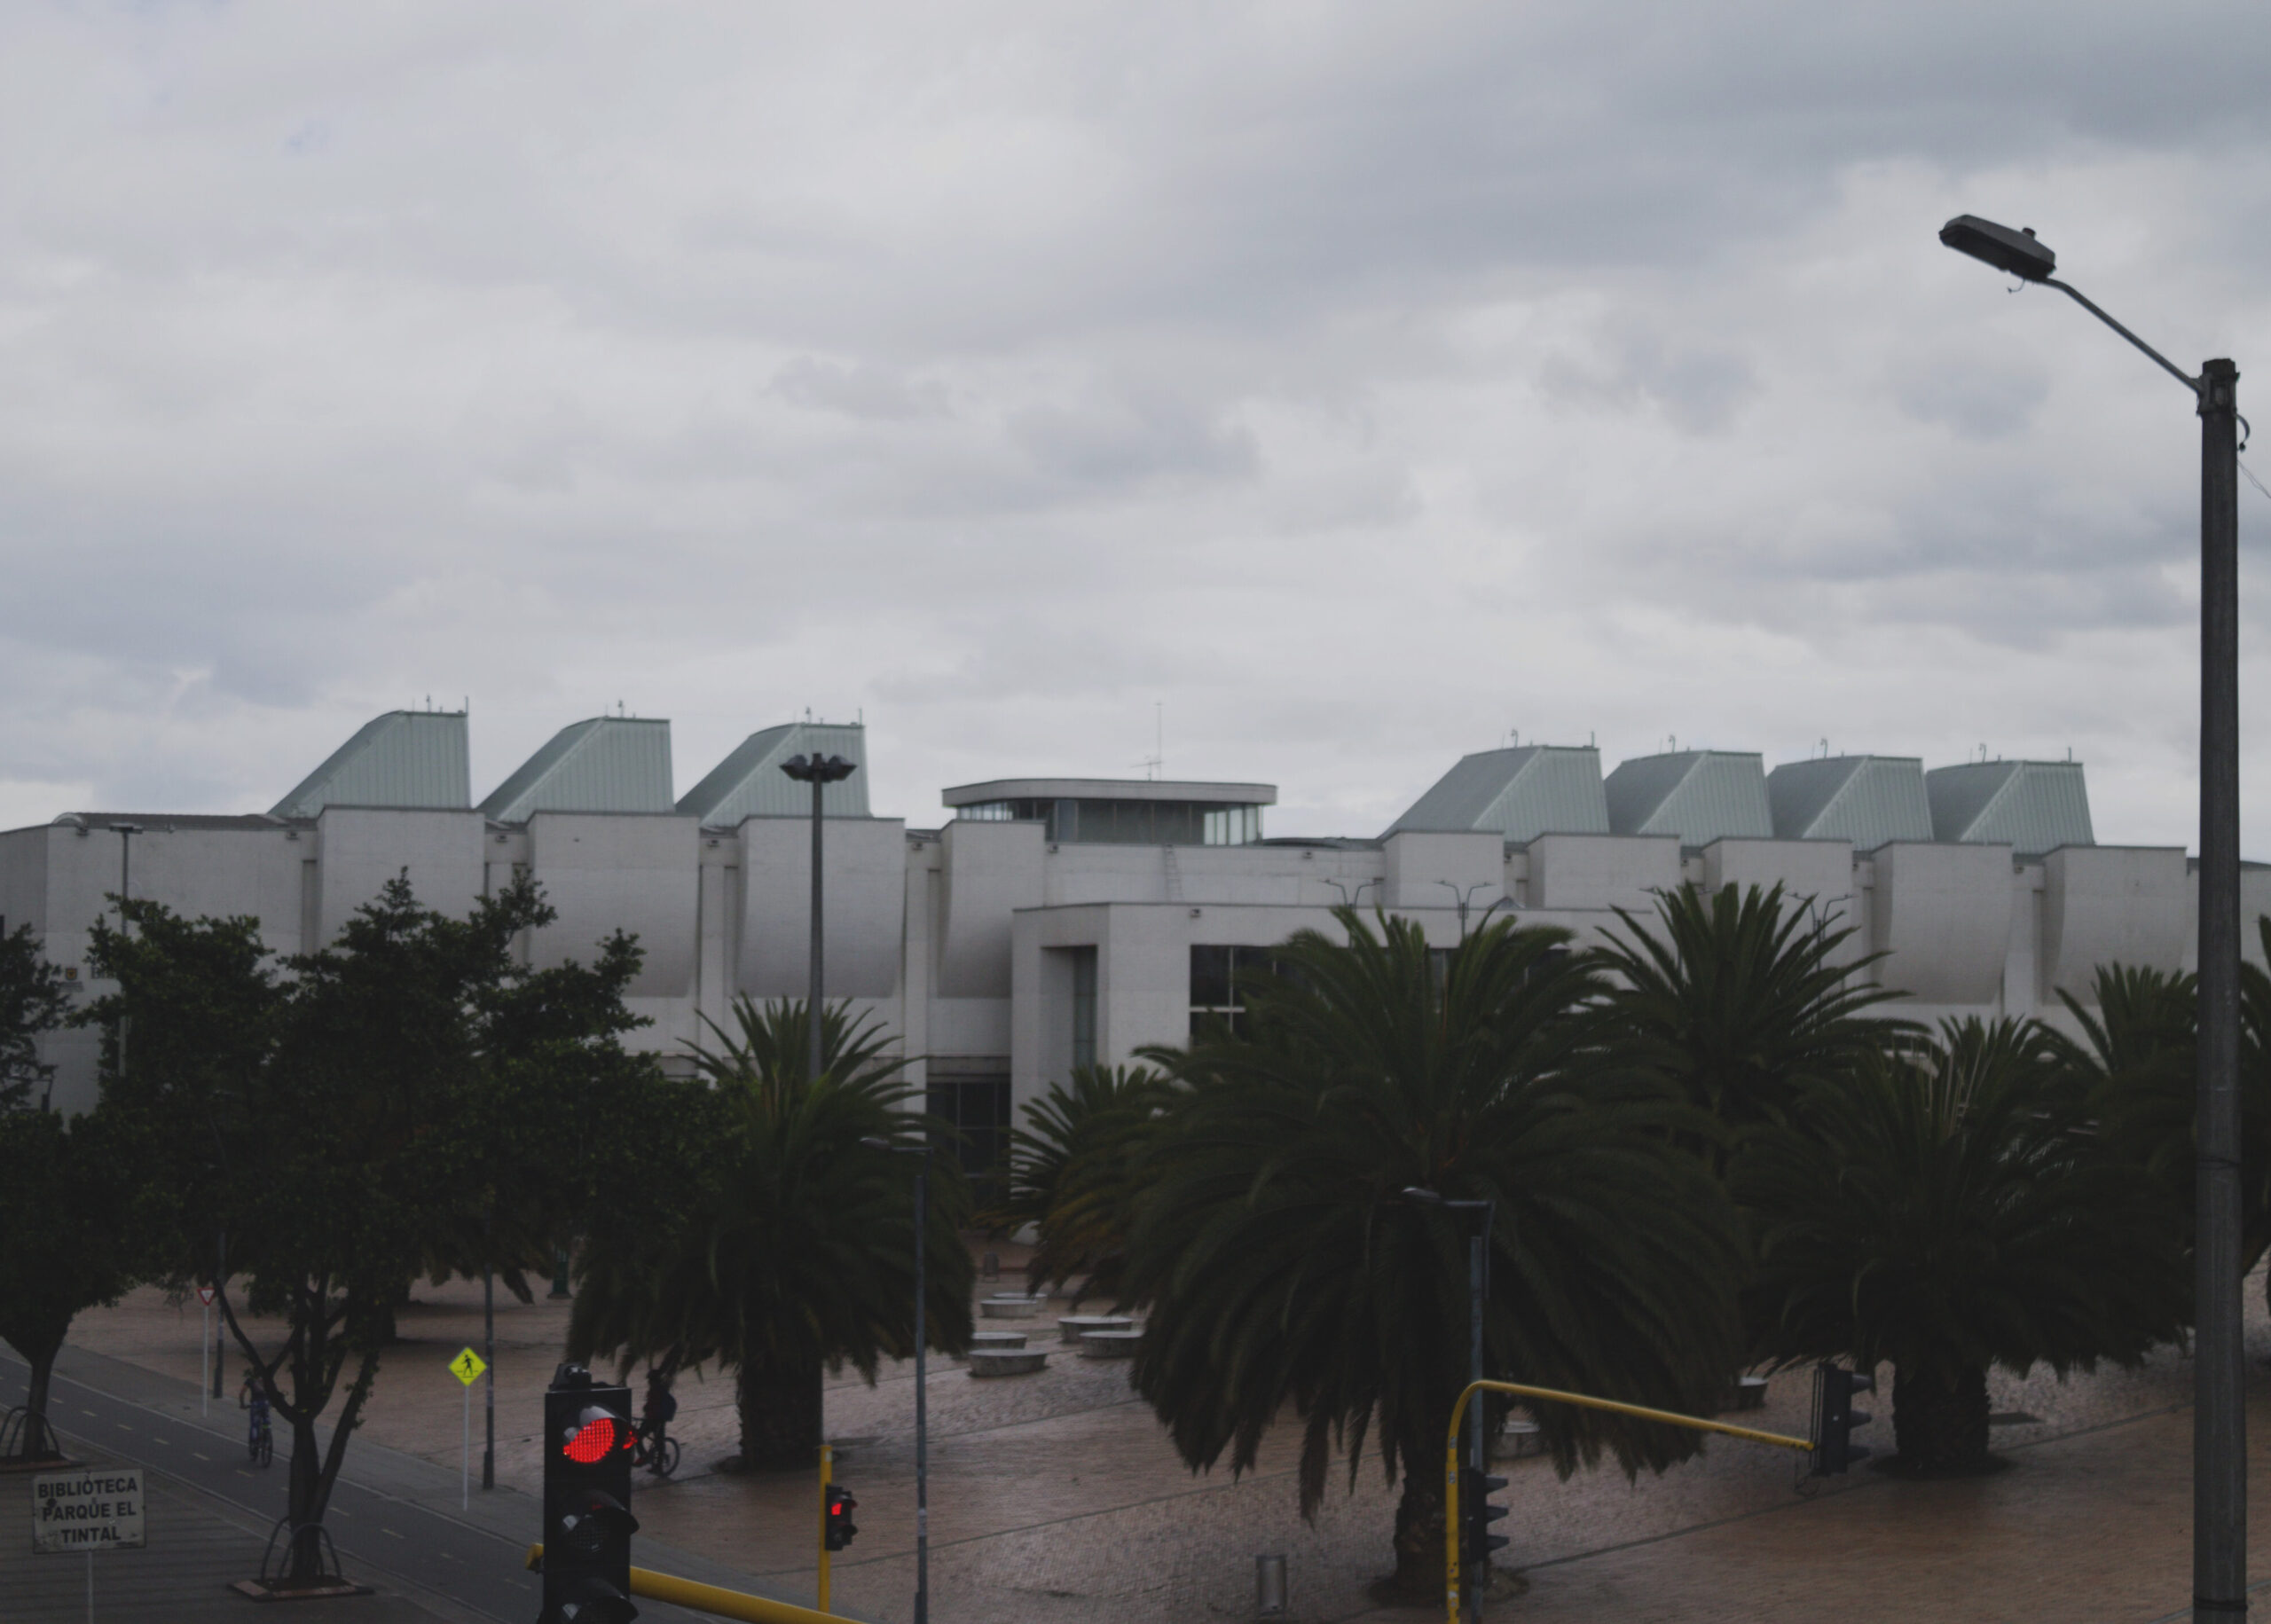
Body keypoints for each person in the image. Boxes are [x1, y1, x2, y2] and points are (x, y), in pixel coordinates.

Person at [640, 1368, 677, 1474]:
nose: (649, 1382)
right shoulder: (653, 1390)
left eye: (650, 1380)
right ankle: (645, 1457)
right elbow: (649, 1405)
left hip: (659, 1420)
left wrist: (648, 1410)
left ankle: (658, 1466)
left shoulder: (659, 1391)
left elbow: (655, 1406)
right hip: (651, 1418)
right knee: (639, 1436)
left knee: (659, 1441)